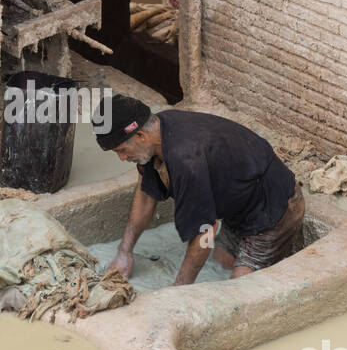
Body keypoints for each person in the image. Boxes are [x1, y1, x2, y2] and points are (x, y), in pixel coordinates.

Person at [94, 95, 304, 285]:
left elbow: (206, 231)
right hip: (238, 203)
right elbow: (146, 196)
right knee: (221, 262)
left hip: (272, 208)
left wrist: (181, 289)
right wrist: (124, 253)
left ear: (140, 135)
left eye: (122, 150)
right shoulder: (156, 132)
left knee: (238, 288)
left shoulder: (185, 159)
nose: (121, 158)